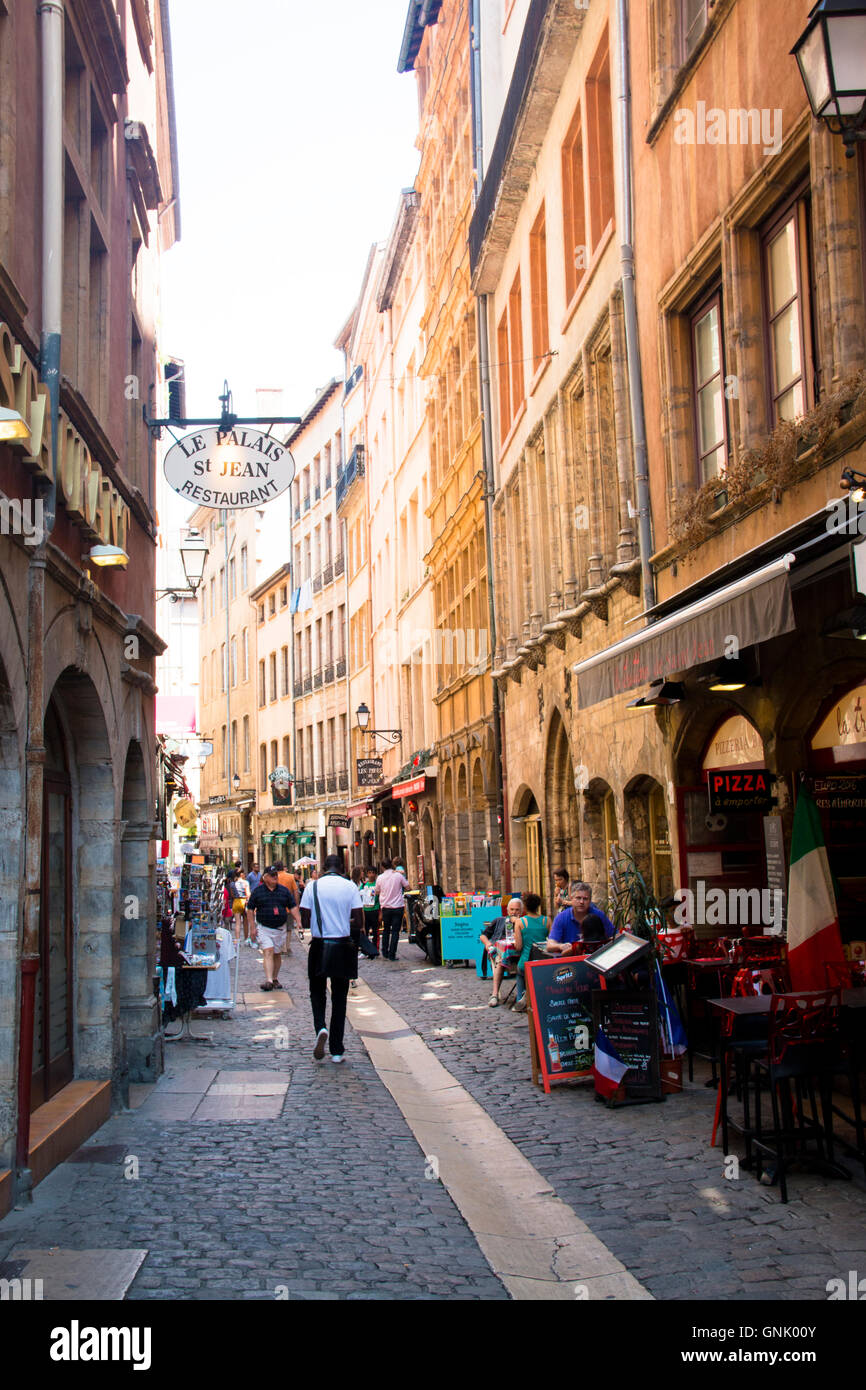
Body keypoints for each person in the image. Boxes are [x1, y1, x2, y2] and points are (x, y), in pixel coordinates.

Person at [300, 854, 363, 1064]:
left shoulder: (312, 887)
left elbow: (306, 919)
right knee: (340, 997)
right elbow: (359, 921)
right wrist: (342, 919)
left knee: (316, 992)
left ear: (324, 867)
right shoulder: (350, 887)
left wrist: (322, 919)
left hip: (319, 945)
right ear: (342, 867)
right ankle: (337, 1050)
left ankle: (321, 1027)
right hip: (342, 945)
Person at [246, 866, 296, 991]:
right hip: (264, 927)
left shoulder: (283, 891)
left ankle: (274, 978)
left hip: (280, 928)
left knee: (277, 954)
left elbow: (293, 906)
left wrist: (299, 921)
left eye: (276, 875)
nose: (275, 877)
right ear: (265, 877)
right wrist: (252, 927)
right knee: (268, 951)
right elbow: (250, 909)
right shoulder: (258, 891)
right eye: (272, 875)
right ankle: (268, 980)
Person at [548, 881, 615, 953]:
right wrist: (560, 946)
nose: (581, 902)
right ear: (571, 898)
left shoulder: (599, 915)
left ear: (590, 900)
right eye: (578, 898)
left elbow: (615, 936)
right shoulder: (561, 918)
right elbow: (550, 945)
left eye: (585, 899)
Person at [512, 893, 551, 1011]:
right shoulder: (547, 920)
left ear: (525, 907)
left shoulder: (520, 922)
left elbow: (518, 947)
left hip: (526, 961)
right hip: (543, 962)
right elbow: (552, 941)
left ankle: (521, 997)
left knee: (519, 971)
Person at [480, 897, 523, 1004]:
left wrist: (518, 923)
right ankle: (494, 994)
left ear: (521, 911)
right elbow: (483, 936)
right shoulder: (499, 920)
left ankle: (524, 993)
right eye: (512, 909)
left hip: (519, 954)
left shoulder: (523, 923)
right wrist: (488, 944)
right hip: (499, 953)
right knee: (500, 961)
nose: (514, 912)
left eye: (517, 910)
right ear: (508, 911)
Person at [375, 858, 409, 961]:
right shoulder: (398, 876)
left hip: (386, 907)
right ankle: (392, 954)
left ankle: (384, 951)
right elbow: (407, 887)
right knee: (395, 931)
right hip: (398, 907)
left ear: (382, 867)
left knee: (386, 930)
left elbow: (377, 892)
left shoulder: (380, 878)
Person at [274, 860, 302, 954]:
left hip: (276, 907)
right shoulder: (290, 877)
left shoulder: (273, 877)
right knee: (289, 928)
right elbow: (295, 891)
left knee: (278, 927)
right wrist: (296, 904)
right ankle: (287, 946)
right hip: (288, 906)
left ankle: (281, 947)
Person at [360, 866, 381, 954]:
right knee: (366, 931)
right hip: (365, 910)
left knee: (375, 931)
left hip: (375, 910)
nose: (371, 874)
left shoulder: (377, 885)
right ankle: (366, 949)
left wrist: (380, 912)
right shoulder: (364, 885)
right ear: (367, 874)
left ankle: (375, 949)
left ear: (375, 874)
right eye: (369, 872)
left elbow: (380, 898)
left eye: (373, 872)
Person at [230, 867, 250, 944]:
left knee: (238, 922)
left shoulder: (232, 884)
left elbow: (232, 895)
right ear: (241, 874)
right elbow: (248, 894)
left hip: (236, 901)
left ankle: (237, 940)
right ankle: (246, 938)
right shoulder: (245, 883)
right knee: (246, 922)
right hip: (244, 901)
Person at [245, 863, 262, 948]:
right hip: (252, 896)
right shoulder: (250, 876)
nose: (257, 868)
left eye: (258, 867)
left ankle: (255, 936)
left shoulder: (260, 875)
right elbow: (247, 886)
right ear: (252, 868)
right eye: (256, 867)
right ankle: (251, 937)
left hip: (259, 895)